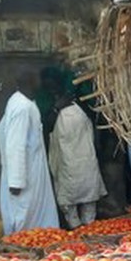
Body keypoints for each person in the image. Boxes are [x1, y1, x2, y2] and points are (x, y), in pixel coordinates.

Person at [0, 68, 60, 234]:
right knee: (24, 220)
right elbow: (15, 145)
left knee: (37, 219)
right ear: (31, 82)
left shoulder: (25, 102)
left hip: (33, 171)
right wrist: (16, 181)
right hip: (24, 179)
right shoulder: (21, 107)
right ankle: (23, 252)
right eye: (37, 77)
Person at [48, 94, 107, 229]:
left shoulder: (57, 115)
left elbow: (49, 132)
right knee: (89, 204)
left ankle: (75, 229)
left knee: (70, 207)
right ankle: (89, 229)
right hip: (86, 162)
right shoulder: (83, 110)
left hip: (68, 165)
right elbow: (94, 136)